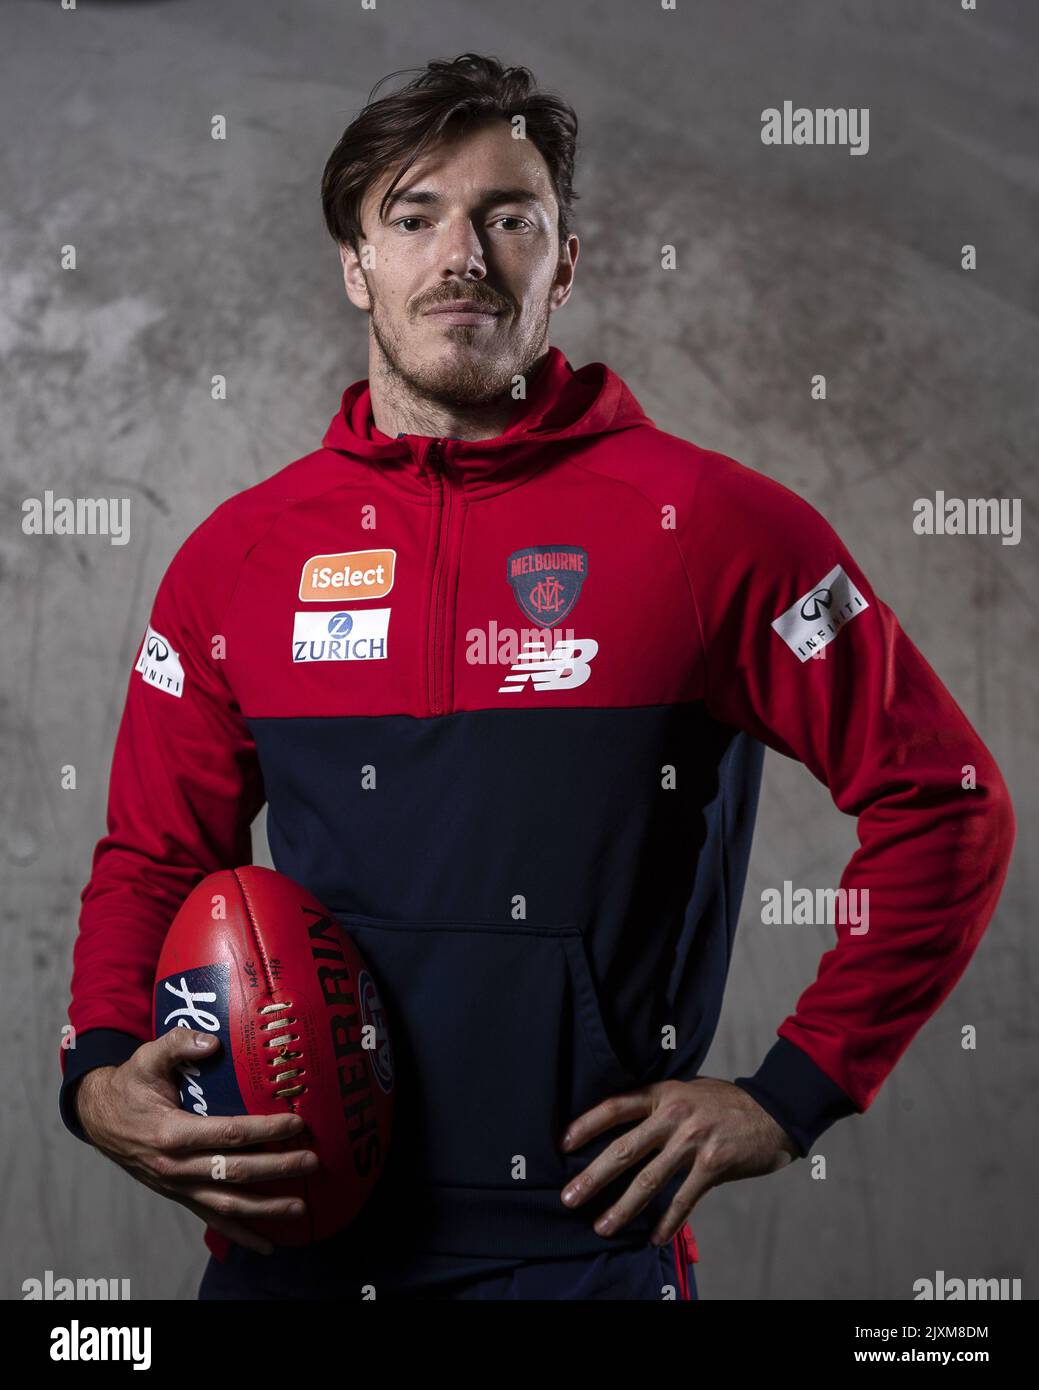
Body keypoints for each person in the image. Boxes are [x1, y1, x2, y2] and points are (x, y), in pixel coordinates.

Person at [60, 53, 1014, 1302]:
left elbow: (943, 799)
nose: (463, 255)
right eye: (415, 217)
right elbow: (151, 855)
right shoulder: (238, 557)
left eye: (508, 218)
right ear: (356, 263)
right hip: (294, 1235)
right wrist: (101, 1070)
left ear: (563, 262)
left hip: (578, 1247)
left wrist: (794, 1091)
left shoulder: (714, 526)